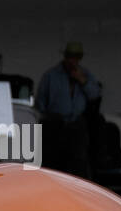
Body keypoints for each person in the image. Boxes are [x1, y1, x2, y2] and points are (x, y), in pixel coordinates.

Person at [35, 42, 101, 179]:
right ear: (65, 57)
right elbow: (40, 102)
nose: (73, 61)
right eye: (70, 57)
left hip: (77, 124)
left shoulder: (85, 74)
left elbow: (95, 94)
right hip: (56, 124)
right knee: (54, 164)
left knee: (79, 163)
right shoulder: (51, 75)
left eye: (76, 57)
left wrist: (82, 80)